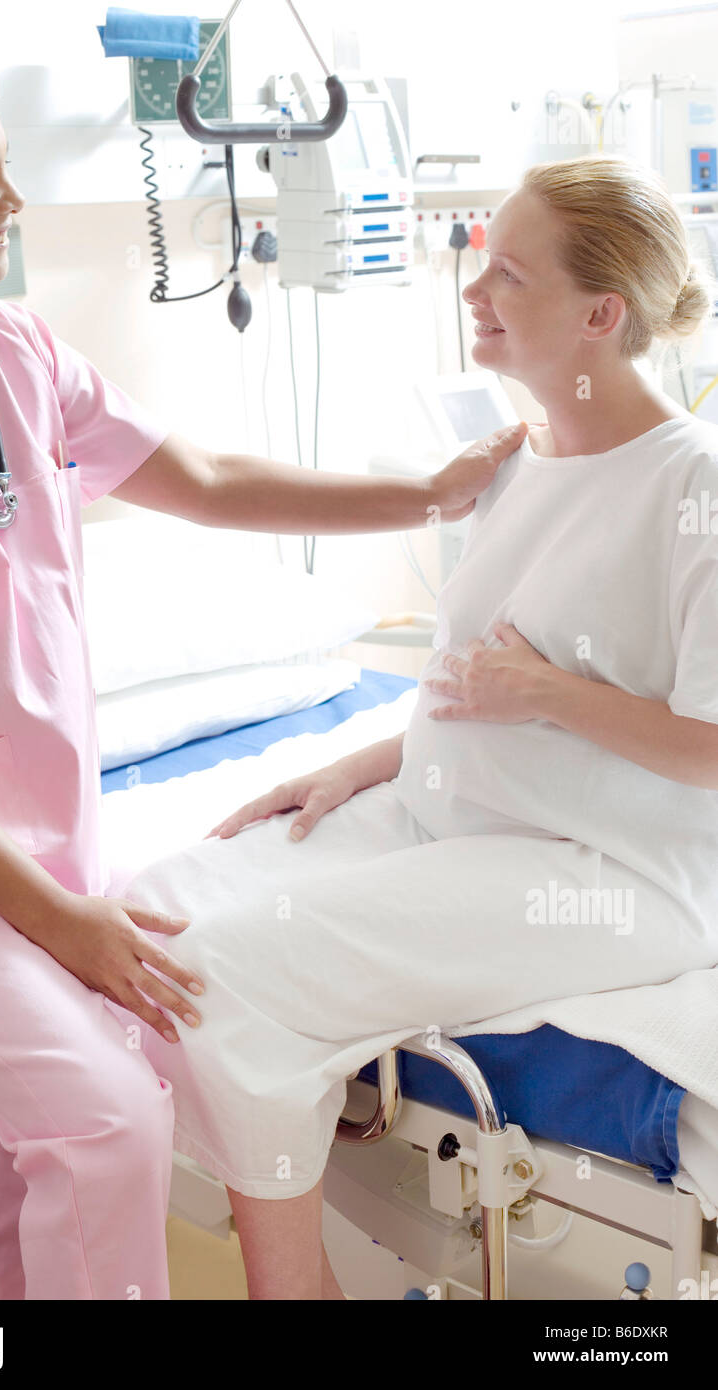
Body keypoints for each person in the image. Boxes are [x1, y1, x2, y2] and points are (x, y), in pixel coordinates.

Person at [0, 42, 521, 1301]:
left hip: (57, 839)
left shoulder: (14, 350)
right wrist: (61, 923)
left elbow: (204, 480)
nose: (14, 203)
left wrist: (422, 494)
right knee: (109, 1120)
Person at [114, 154, 718, 1299]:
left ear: (600, 314)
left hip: (614, 871)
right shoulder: (514, 463)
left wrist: (548, 696)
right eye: (479, 261)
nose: (472, 290)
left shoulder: (692, 490)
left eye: (507, 274)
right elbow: (471, 686)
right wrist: (365, 761)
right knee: (148, 911)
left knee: (219, 974)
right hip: (453, 813)